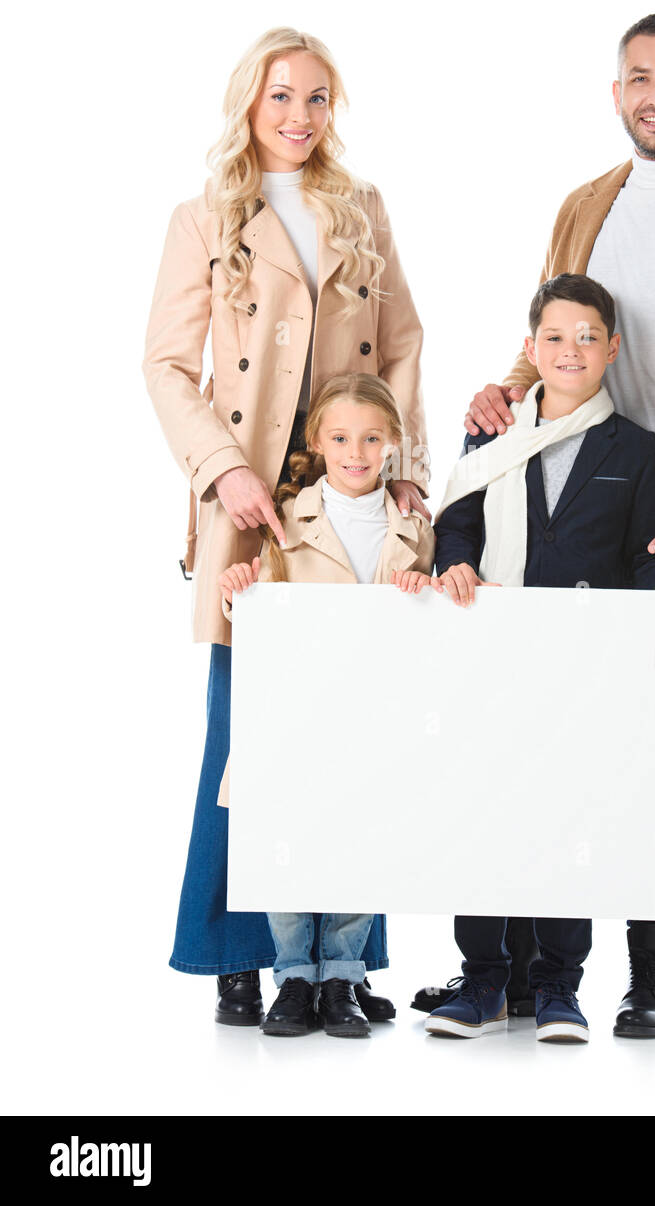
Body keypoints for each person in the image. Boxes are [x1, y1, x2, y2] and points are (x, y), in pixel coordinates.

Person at [416, 11, 655, 1037]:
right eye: (642, 76)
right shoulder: (584, 203)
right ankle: (508, 963)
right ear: (617, 90)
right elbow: (545, 326)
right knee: (528, 744)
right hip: (576, 512)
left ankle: (653, 962)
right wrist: (505, 394)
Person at [142, 27, 430, 1027]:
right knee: (246, 741)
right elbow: (166, 365)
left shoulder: (363, 209)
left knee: (356, 731)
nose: (300, 117)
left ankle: (342, 963)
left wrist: (405, 479)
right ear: (248, 105)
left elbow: (401, 347)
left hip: (352, 489)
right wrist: (220, 472)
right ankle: (240, 955)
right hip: (250, 500)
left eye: (317, 98)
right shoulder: (204, 217)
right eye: (280, 98)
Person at [415, 274, 655, 1042]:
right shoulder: (491, 434)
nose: (569, 351)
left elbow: (651, 559)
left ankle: (559, 989)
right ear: (529, 348)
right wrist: (455, 563)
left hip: (580, 665)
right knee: (481, 813)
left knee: (569, 816)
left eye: (586, 337)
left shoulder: (639, 452)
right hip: (491, 648)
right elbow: (457, 522)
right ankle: (481, 986)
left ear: (610, 349)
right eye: (553, 337)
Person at [216, 374, 434, 1036]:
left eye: (371, 438)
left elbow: (431, 619)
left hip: (374, 717)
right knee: (288, 837)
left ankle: (341, 974)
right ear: (317, 443)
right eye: (340, 438)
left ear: (393, 443)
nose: (356, 451)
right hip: (298, 715)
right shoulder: (287, 521)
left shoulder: (415, 529)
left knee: (358, 840)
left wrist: (421, 586)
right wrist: (236, 588)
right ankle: (293, 979)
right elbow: (261, 602)